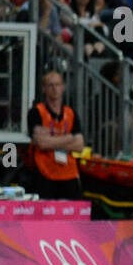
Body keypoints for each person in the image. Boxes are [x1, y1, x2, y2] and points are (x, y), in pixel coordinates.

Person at [25, 70, 85, 200]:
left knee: (74, 211)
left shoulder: (71, 113)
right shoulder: (36, 112)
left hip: (68, 171)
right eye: (50, 85)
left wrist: (51, 141)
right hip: (44, 170)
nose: (55, 89)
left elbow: (80, 145)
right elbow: (41, 143)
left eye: (58, 85)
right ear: (44, 89)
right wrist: (69, 138)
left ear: (63, 87)